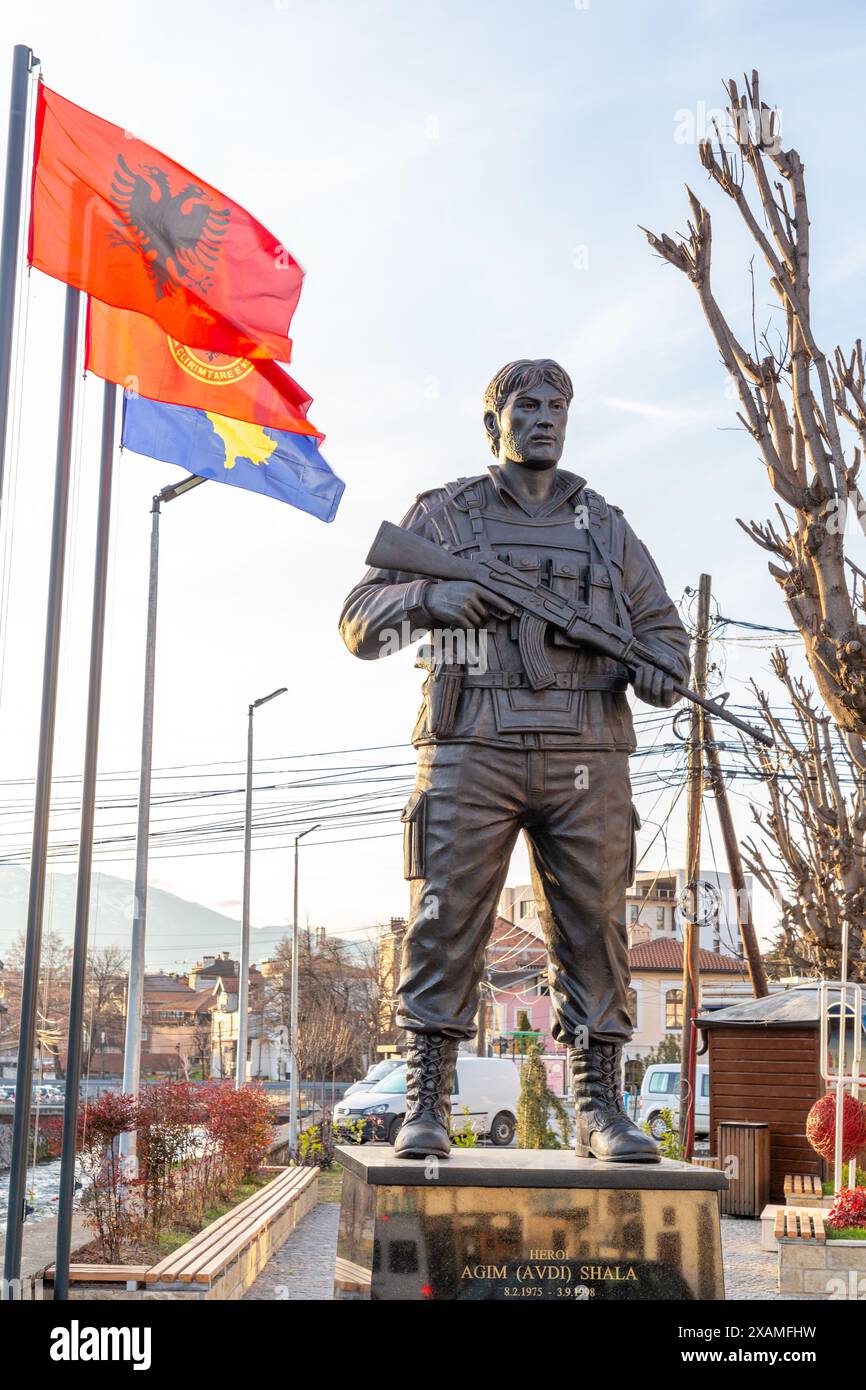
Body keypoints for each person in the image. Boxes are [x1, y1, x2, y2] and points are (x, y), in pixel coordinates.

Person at [339, 359, 690, 1161]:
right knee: (444, 921)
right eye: (525, 405)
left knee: (597, 926)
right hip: (473, 747)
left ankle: (600, 1109)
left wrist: (664, 670)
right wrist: (427, 599)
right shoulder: (443, 516)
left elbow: (665, 633)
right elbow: (361, 623)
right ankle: (426, 1102)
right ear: (492, 421)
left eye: (557, 406)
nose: (544, 419)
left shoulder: (604, 526)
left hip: (588, 751)